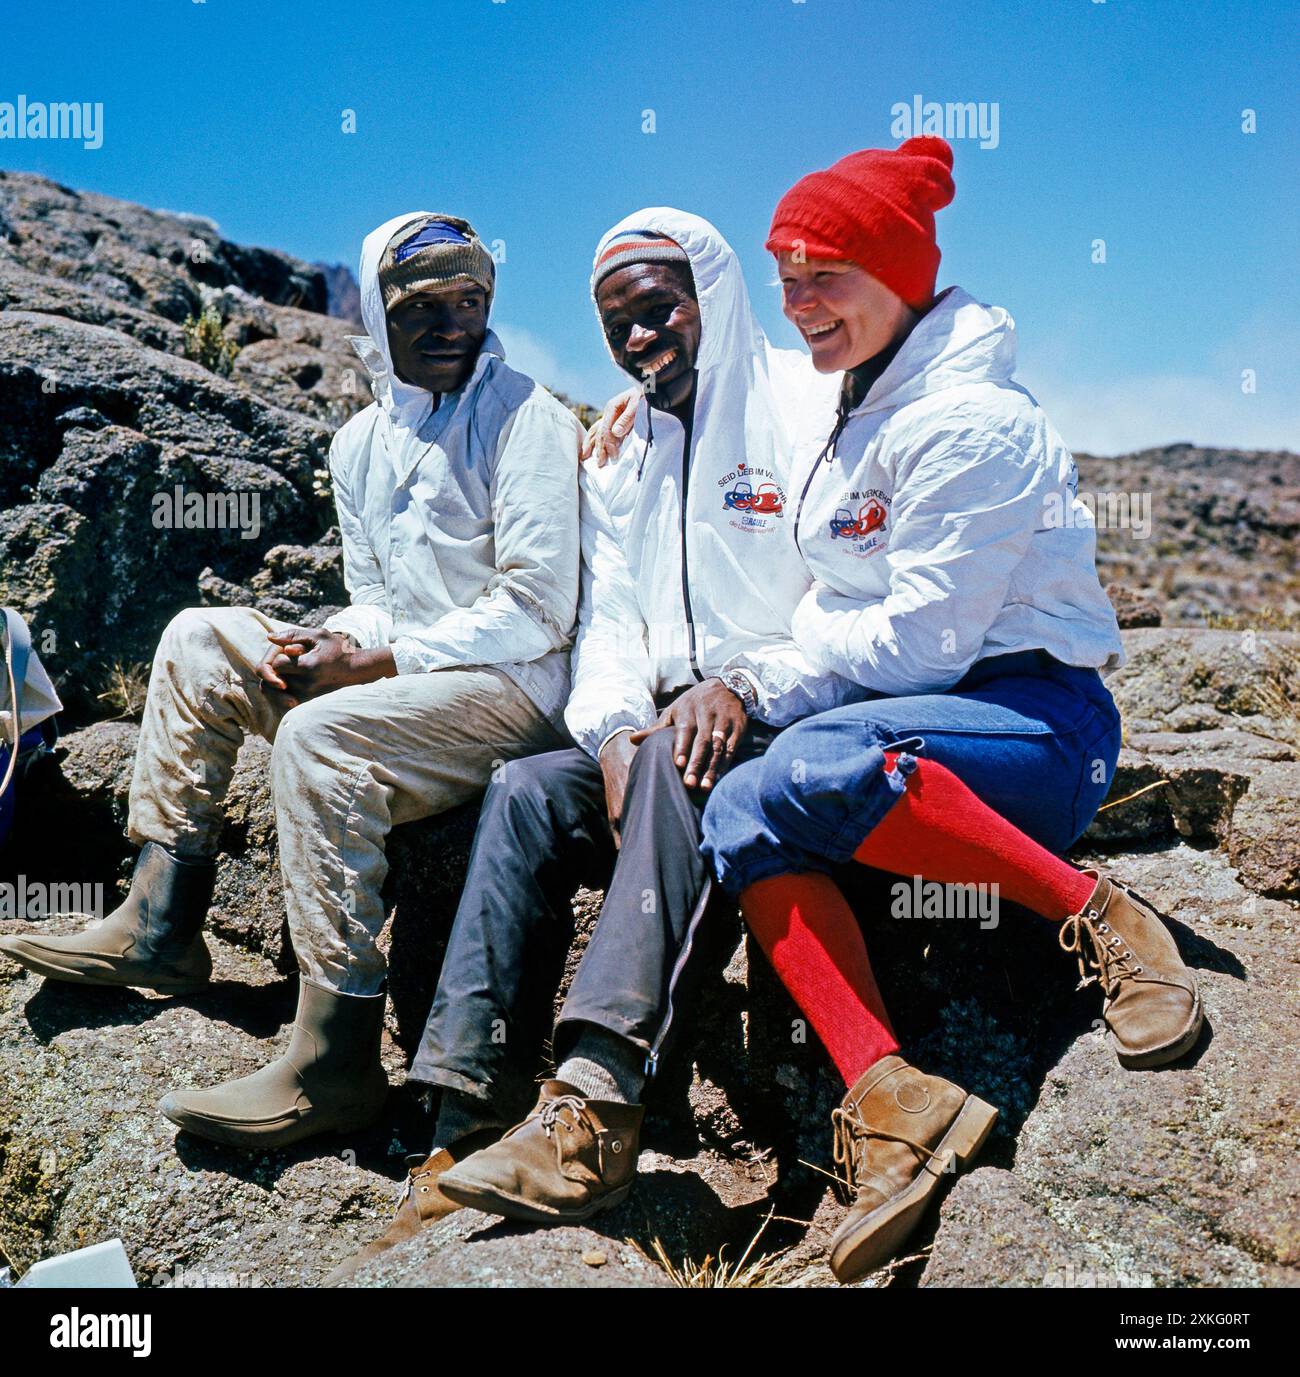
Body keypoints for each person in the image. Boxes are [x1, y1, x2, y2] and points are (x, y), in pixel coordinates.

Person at [696, 137, 1204, 1282]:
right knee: (737, 813)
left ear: (900, 272)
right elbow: (868, 633)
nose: (797, 301)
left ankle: (1100, 918)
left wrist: (798, 635)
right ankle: (893, 1101)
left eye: (824, 270)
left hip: (1038, 730)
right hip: (909, 728)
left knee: (806, 767)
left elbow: (915, 645)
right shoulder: (858, 406)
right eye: (784, 274)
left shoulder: (972, 422)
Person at [325, 209, 856, 1282]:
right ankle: (463, 1122)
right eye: (618, 324)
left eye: (659, 310)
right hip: (657, 718)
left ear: (712, 296)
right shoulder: (622, 449)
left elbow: (852, 603)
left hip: (782, 713)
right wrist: (611, 726)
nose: (639, 339)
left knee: (674, 758)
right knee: (524, 787)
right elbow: (606, 618)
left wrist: (743, 683)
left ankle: (598, 1104)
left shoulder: (810, 412)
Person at [0, 212, 581, 1149]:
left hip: (513, 694)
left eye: (468, 302)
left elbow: (539, 608)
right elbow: (375, 597)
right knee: (199, 636)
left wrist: (370, 661)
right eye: (420, 307)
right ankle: (161, 917)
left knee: (320, 739)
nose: (449, 325)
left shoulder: (530, 419)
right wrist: (325, 641)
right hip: (411, 681)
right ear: (379, 321)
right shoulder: (360, 444)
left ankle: (334, 1056)